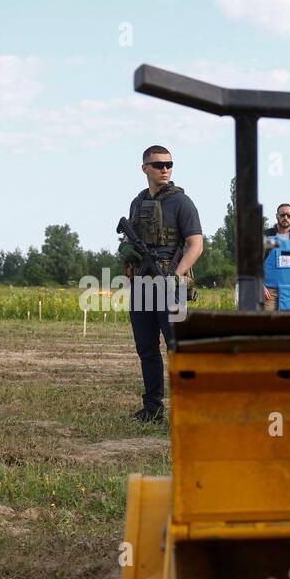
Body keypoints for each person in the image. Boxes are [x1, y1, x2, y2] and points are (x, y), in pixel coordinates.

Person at [120, 144, 202, 423]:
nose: (165, 169)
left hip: (171, 287)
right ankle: (153, 408)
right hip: (141, 285)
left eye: (169, 164)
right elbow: (128, 244)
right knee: (146, 349)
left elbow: (196, 245)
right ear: (145, 168)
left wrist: (177, 276)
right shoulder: (136, 202)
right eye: (158, 165)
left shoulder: (182, 202)